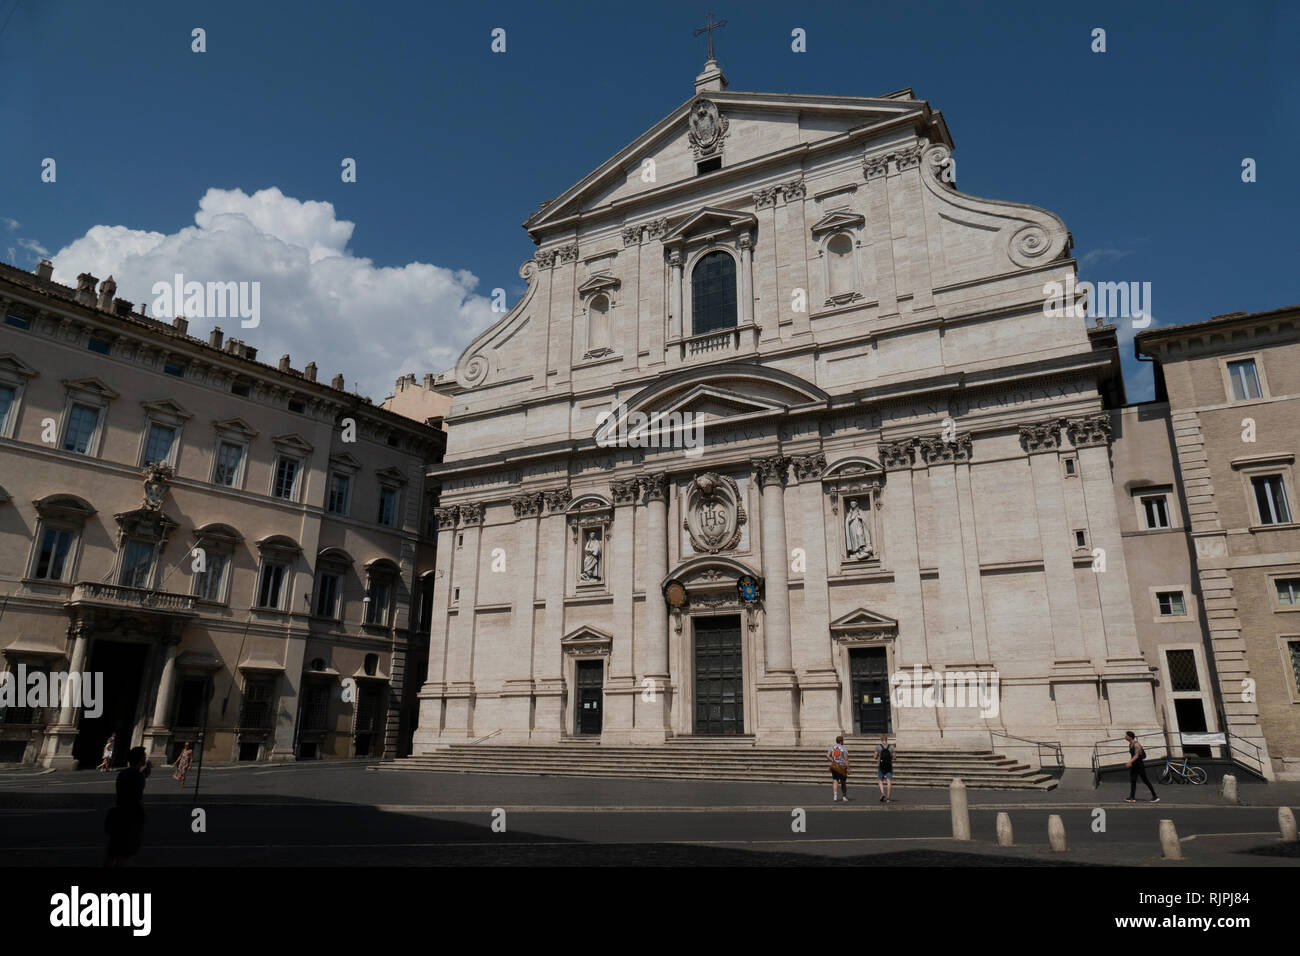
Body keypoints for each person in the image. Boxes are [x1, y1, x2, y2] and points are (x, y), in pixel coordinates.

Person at [104, 746, 149, 866]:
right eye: (144, 756)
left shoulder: (123, 773)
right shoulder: (138, 776)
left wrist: (143, 775)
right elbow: (137, 797)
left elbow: (131, 782)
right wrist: (144, 814)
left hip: (119, 815)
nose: (145, 758)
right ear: (140, 760)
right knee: (126, 854)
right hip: (131, 818)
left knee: (112, 853)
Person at [1124, 731, 1159, 803]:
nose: (1125, 737)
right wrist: (1131, 762)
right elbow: (1133, 756)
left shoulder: (1136, 745)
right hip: (1134, 765)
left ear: (1130, 737)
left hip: (1139, 766)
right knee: (1133, 781)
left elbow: (1136, 756)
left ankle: (1155, 796)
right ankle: (1132, 797)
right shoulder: (1131, 744)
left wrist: (1129, 762)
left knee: (1145, 781)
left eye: (1126, 735)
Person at [827, 735, 850, 802]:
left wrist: (833, 761)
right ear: (841, 741)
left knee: (835, 781)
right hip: (842, 767)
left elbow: (827, 755)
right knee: (843, 782)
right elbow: (846, 759)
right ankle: (844, 796)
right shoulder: (844, 749)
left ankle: (835, 796)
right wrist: (848, 768)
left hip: (835, 766)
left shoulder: (832, 747)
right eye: (843, 740)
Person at [875, 734, 895, 803]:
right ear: (886, 740)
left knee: (880, 780)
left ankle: (883, 793)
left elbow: (875, 757)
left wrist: (878, 756)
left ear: (881, 739)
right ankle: (888, 798)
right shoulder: (891, 747)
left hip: (881, 766)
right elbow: (894, 757)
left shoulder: (878, 747)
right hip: (889, 766)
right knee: (888, 781)